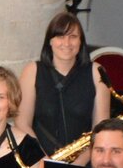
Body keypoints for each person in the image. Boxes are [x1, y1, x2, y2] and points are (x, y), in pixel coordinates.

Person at [16, 12, 113, 157]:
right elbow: (22, 124)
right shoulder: (32, 71)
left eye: (73, 37)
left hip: (84, 162)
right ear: (50, 41)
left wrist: (76, 165)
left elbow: (100, 131)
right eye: (60, 36)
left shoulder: (96, 72)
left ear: (81, 41)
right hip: (38, 159)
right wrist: (43, 160)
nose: (66, 43)